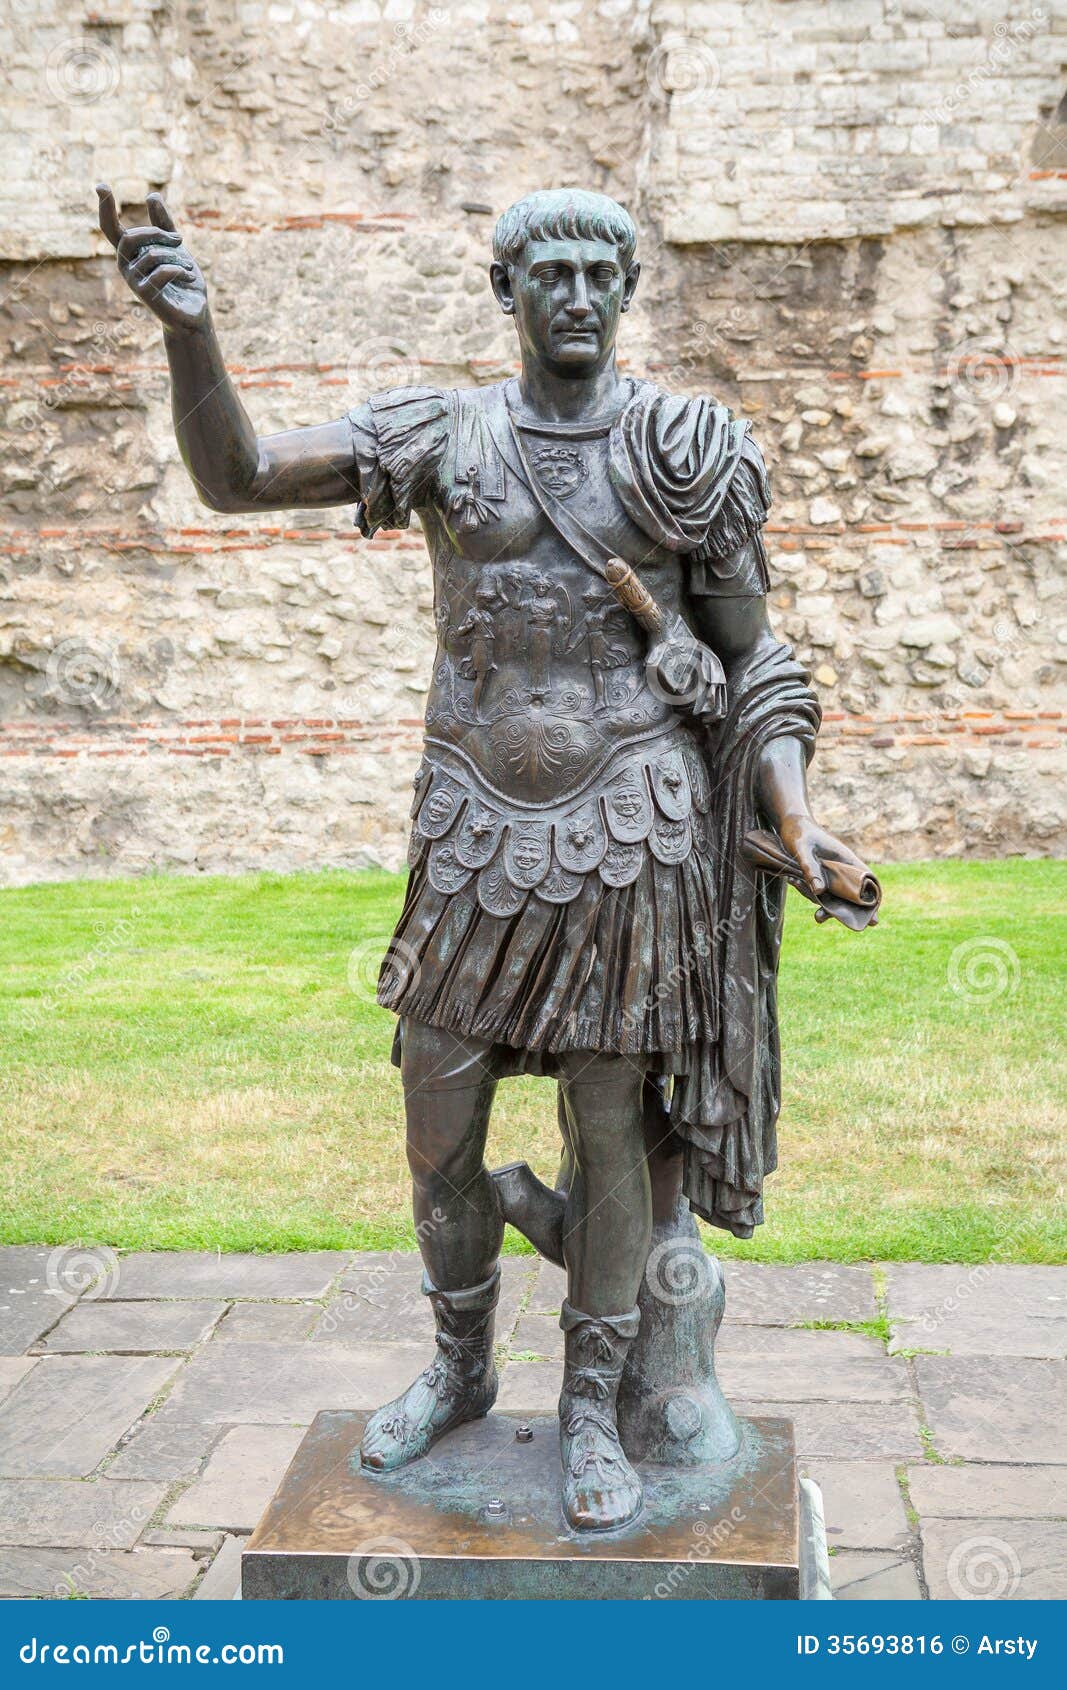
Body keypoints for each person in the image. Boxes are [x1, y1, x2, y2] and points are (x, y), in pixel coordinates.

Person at [98, 183, 872, 1533]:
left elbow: (754, 653)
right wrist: (191, 329)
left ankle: (591, 1401)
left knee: (610, 1125)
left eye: (597, 272)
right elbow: (238, 478)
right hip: (470, 824)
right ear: (503, 288)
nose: (574, 295)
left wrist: (795, 820)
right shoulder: (439, 432)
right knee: (438, 1120)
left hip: (639, 822)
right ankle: (459, 1366)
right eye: (547, 272)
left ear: (628, 288)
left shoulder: (686, 449)